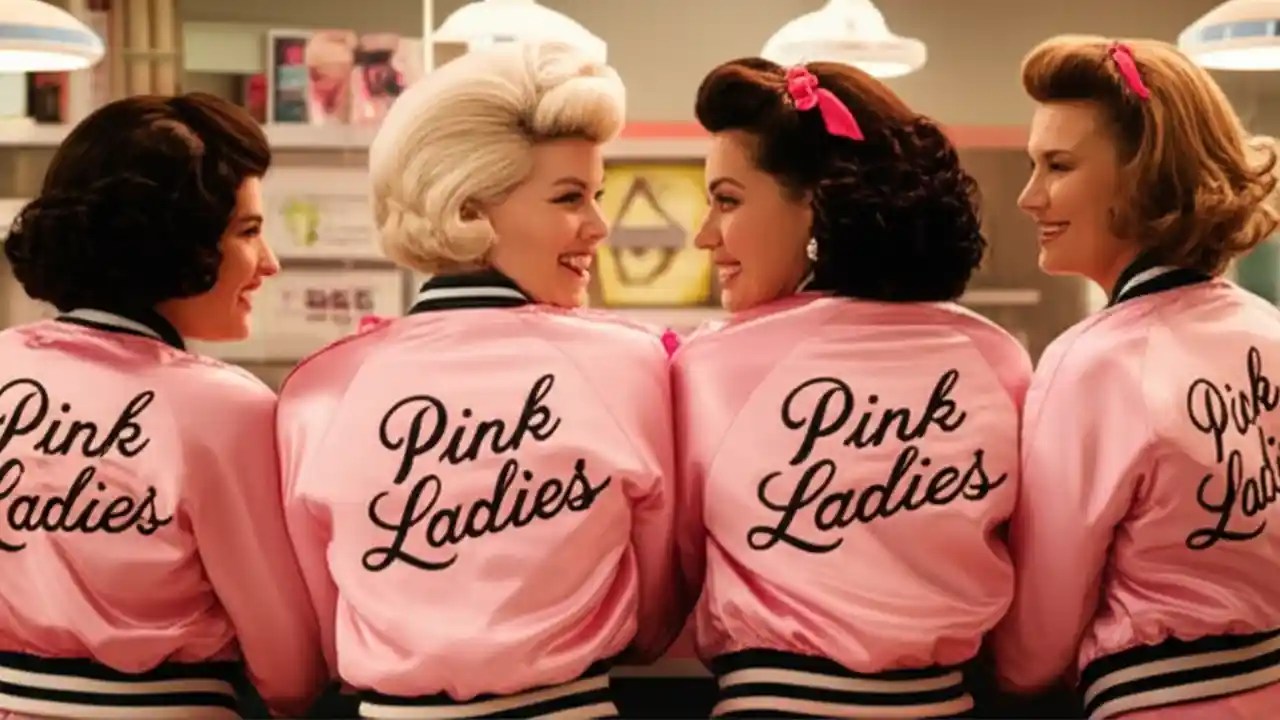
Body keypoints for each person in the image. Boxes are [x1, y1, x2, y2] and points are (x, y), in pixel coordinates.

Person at [276, 41, 685, 720]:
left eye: (597, 195)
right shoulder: (629, 364)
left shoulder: (320, 388)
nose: (600, 226)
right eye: (569, 197)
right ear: (467, 207)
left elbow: (324, 616)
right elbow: (654, 607)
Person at [671, 57, 1032, 718]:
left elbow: (677, 579)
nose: (705, 235)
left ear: (817, 204)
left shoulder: (712, 368)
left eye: (726, 200)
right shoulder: (998, 358)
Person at [0, 93, 324, 718]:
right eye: (248, 231)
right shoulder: (225, 409)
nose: (270, 263)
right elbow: (291, 672)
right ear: (172, 242)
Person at [992, 35, 1280, 720]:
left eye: (1057, 166)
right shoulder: (1270, 328)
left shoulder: (1091, 362)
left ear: (1145, 177)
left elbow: (1036, 642)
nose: (1031, 197)